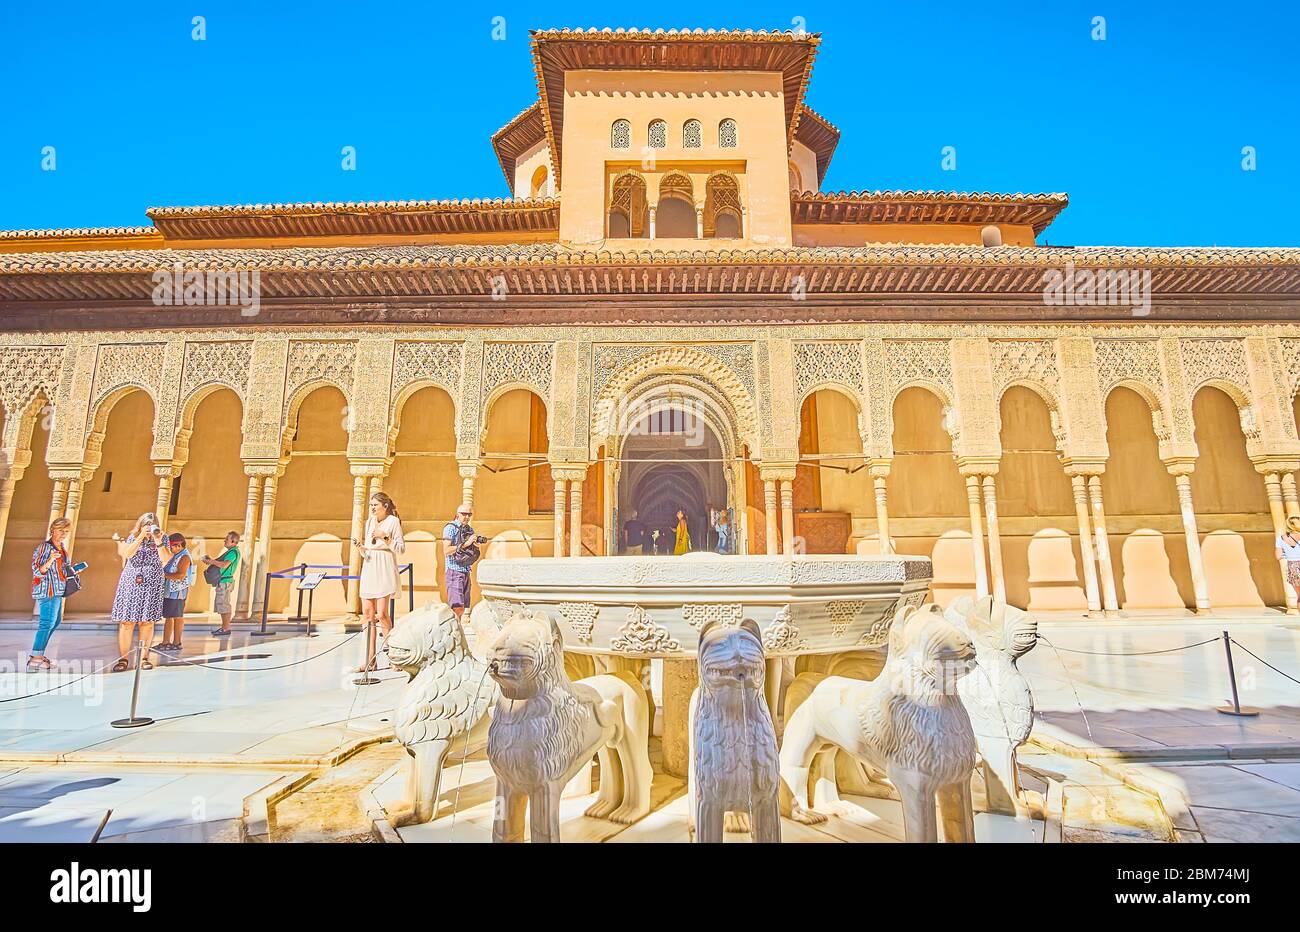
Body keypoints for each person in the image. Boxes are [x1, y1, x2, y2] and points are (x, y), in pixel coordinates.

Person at [354, 491, 406, 673]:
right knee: (367, 615)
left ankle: (394, 658)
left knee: (382, 614)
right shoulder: (369, 522)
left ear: (385, 506)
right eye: (371, 505)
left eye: (375, 505)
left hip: (384, 566)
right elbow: (369, 547)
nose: (373, 508)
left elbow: (400, 549)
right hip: (369, 565)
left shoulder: (393, 522)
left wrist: (385, 537)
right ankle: (370, 661)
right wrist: (362, 549)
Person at [111, 512, 168, 673]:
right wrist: (141, 536)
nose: (149, 528)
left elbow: (166, 559)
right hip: (131, 583)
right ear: (141, 525)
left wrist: (158, 541)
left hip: (152, 583)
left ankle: (144, 658)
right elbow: (128, 554)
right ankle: (123, 659)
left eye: (152, 525)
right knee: (127, 622)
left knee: (147, 622)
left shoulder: (163, 538)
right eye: (146, 525)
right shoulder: (133, 537)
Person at [29, 517, 73, 672]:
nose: (64, 534)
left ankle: (38, 653)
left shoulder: (62, 548)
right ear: (53, 530)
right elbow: (37, 570)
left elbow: (61, 569)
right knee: (47, 623)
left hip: (58, 590)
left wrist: (73, 571)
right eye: (61, 530)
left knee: (55, 622)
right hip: (47, 590)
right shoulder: (44, 548)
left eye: (66, 531)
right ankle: (35, 658)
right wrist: (49, 560)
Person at [442, 503, 483, 620]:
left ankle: (457, 633)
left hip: (465, 570)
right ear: (457, 514)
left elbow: (468, 549)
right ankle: (453, 633)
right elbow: (446, 551)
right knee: (457, 607)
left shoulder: (469, 529)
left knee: (463, 608)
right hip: (454, 571)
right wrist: (467, 543)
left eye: (469, 514)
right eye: (463, 514)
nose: (466, 517)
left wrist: (475, 545)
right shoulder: (450, 528)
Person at [158, 533, 193, 653]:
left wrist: (162, 574)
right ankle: (166, 642)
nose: (170, 549)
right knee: (169, 617)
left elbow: (180, 575)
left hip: (177, 592)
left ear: (179, 545)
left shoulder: (184, 557)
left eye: (171, 546)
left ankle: (176, 642)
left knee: (177, 617)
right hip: (170, 591)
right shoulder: (176, 555)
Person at [204, 531, 241, 636]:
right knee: (222, 605)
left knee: (224, 605)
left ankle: (226, 628)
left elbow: (224, 565)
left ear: (233, 541)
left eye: (227, 539)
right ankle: (224, 627)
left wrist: (211, 561)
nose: (224, 541)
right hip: (223, 581)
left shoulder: (233, 552)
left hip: (225, 582)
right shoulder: (231, 552)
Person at [1277, 515, 1300, 607]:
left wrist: (1289, 554)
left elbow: (1278, 556)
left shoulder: (1281, 539)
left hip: (1292, 566)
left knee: (1299, 596)